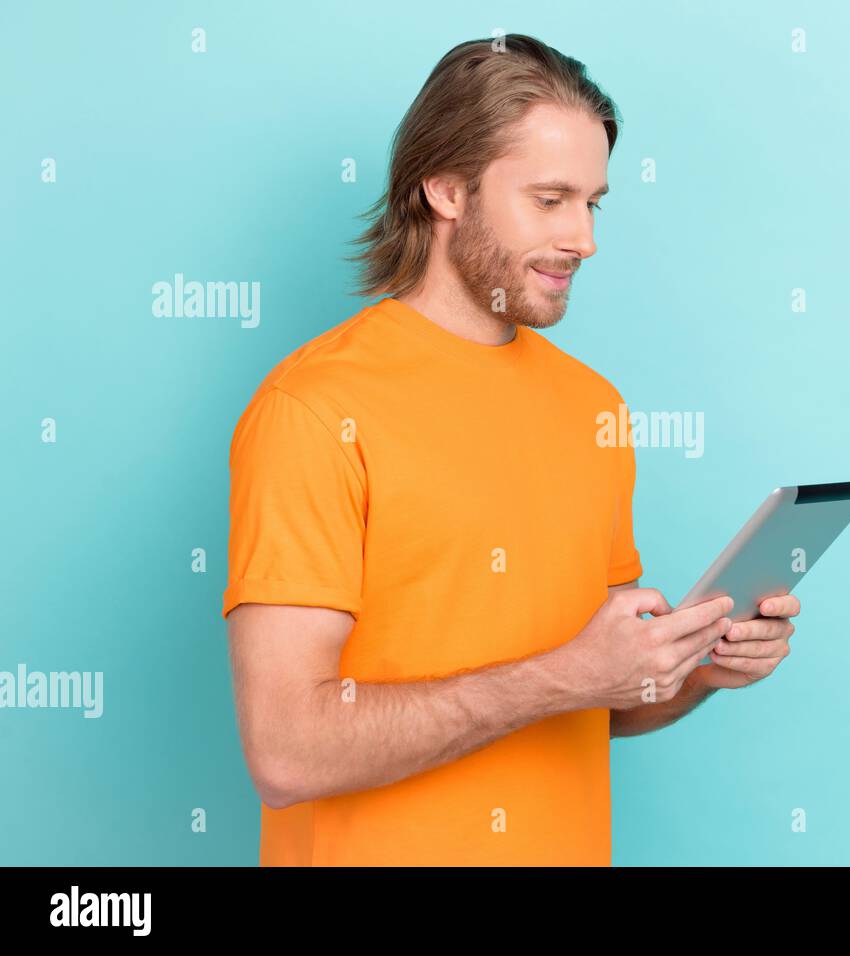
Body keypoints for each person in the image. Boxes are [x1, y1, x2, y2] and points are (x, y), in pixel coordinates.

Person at [222, 34, 799, 866]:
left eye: (592, 203)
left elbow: (606, 698)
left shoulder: (593, 407)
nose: (584, 239)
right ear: (446, 189)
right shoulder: (314, 409)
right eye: (551, 199)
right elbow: (286, 753)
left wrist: (697, 666)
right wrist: (564, 675)